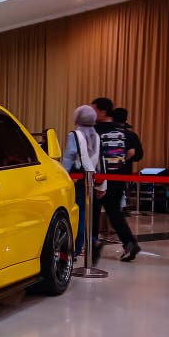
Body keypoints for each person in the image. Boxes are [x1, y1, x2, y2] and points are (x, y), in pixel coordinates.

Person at [91, 98, 142, 263]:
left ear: (103, 112)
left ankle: (93, 243)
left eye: (94, 110)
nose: (92, 113)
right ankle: (129, 243)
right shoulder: (125, 133)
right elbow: (136, 154)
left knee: (93, 211)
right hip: (118, 178)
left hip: (98, 178)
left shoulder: (93, 131)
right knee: (114, 213)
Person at [61, 105, 106, 257]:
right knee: (86, 213)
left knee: (77, 213)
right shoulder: (96, 136)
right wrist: (103, 185)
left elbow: (69, 156)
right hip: (91, 178)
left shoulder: (74, 134)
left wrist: (63, 176)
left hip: (77, 178)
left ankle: (77, 247)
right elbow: (101, 160)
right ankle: (91, 241)